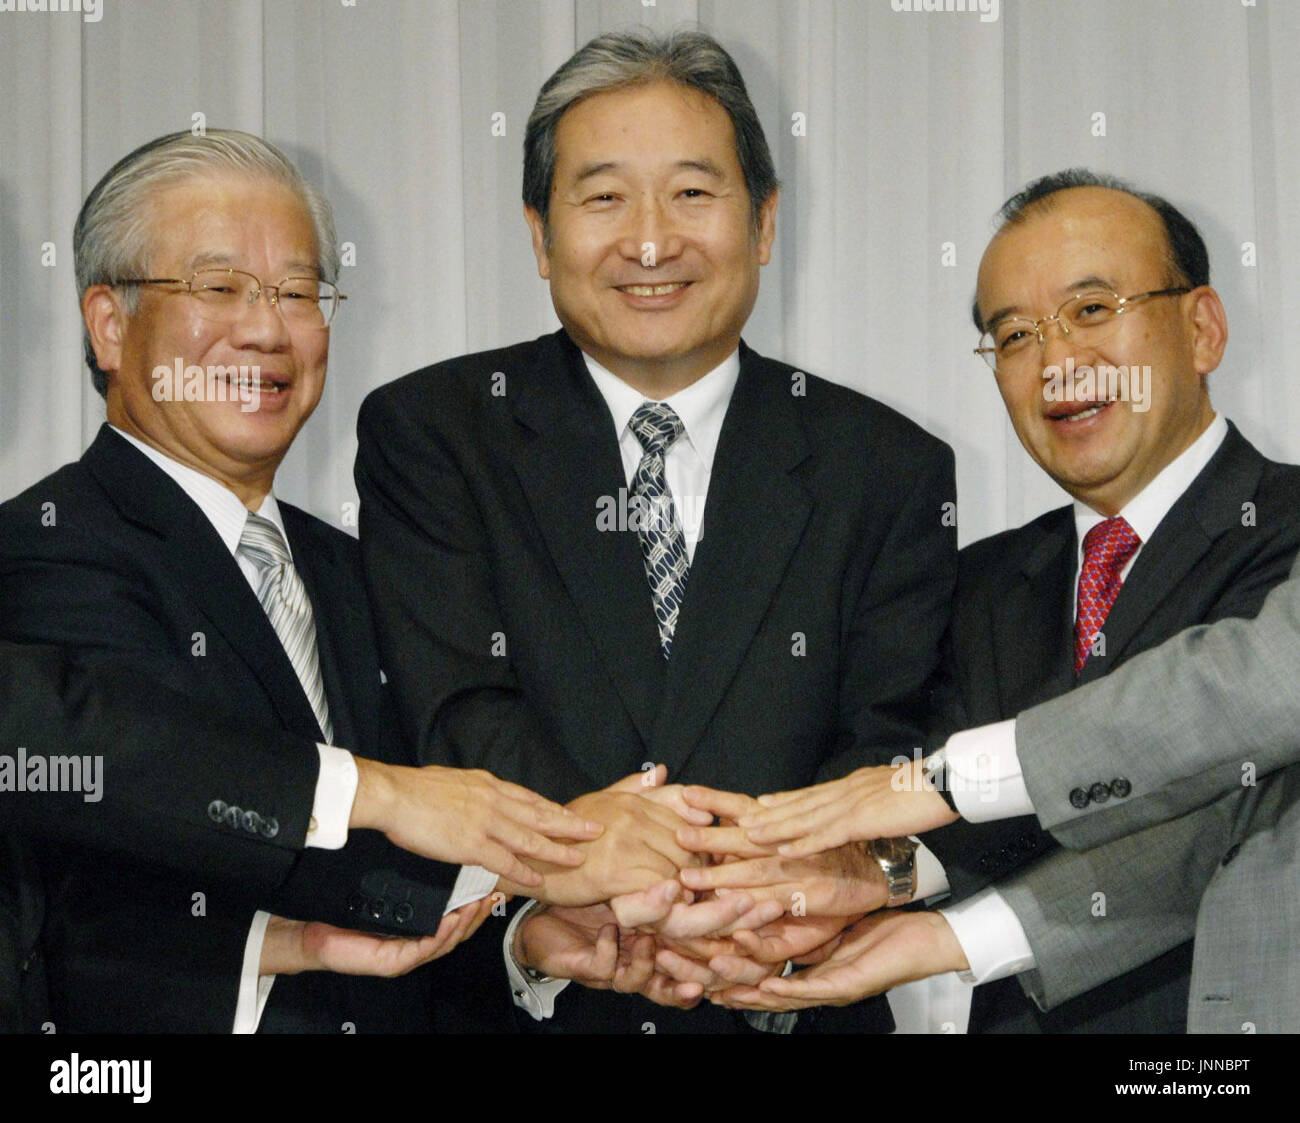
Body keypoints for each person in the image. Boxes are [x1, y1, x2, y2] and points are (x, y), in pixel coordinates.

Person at [355, 29, 957, 1033]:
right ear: (540, 236)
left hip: (784, 997)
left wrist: (749, 890)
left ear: (763, 223)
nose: (648, 240)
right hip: (533, 994)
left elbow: (884, 745)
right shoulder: (435, 432)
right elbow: (454, 713)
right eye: (601, 198)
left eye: (691, 193)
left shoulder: (886, 465)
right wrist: (608, 871)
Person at [0, 129, 623, 1033]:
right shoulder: (42, 551)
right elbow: (133, 840)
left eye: (298, 291)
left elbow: (418, 873)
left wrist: (526, 936)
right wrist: (544, 852)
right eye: (219, 288)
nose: (267, 326)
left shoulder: (364, 569)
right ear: (109, 323)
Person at [700, 172, 1300, 1033]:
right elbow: (977, 822)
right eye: (1014, 334)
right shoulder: (982, 581)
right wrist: (852, 880)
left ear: (1201, 328)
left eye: (1093, 311)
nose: (1058, 362)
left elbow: (1209, 801)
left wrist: (938, 838)